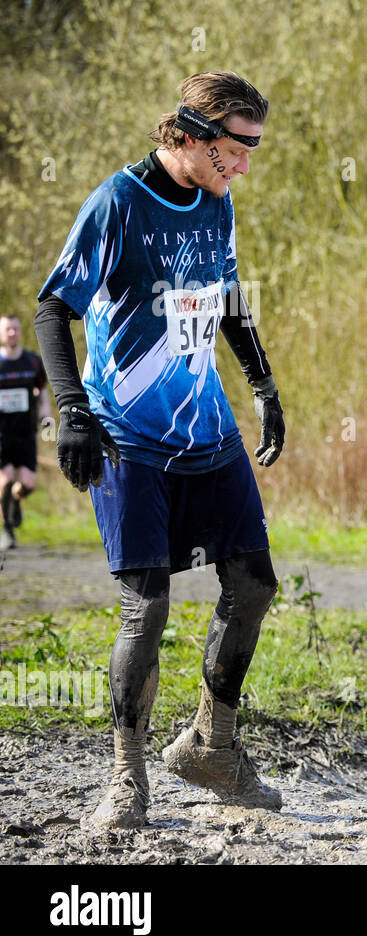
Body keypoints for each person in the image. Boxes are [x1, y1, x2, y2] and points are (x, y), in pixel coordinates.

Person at [34, 72, 285, 830]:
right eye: (237, 148)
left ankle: (213, 743)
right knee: (145, 609)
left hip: (206, 429)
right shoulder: (118, 202)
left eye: (252, 150)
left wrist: (264, 384)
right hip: (128, 438)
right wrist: (71, 409)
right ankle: (126, 777)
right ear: (192, 133)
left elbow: (230, 298)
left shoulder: (220, 202)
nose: (245, 165)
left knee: (256, 584)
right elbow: (53, 305)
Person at [0, 314, 52, 550]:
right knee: (6, 479)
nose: (11, 333)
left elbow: (41, 392)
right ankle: (8, 530)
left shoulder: (32, 361)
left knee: (27, 485)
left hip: (26, 431)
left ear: (20, 332)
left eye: (15, 329)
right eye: (7, 329)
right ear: (2, 333)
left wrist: (46, 414)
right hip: (2, 434)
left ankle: (15, 501)